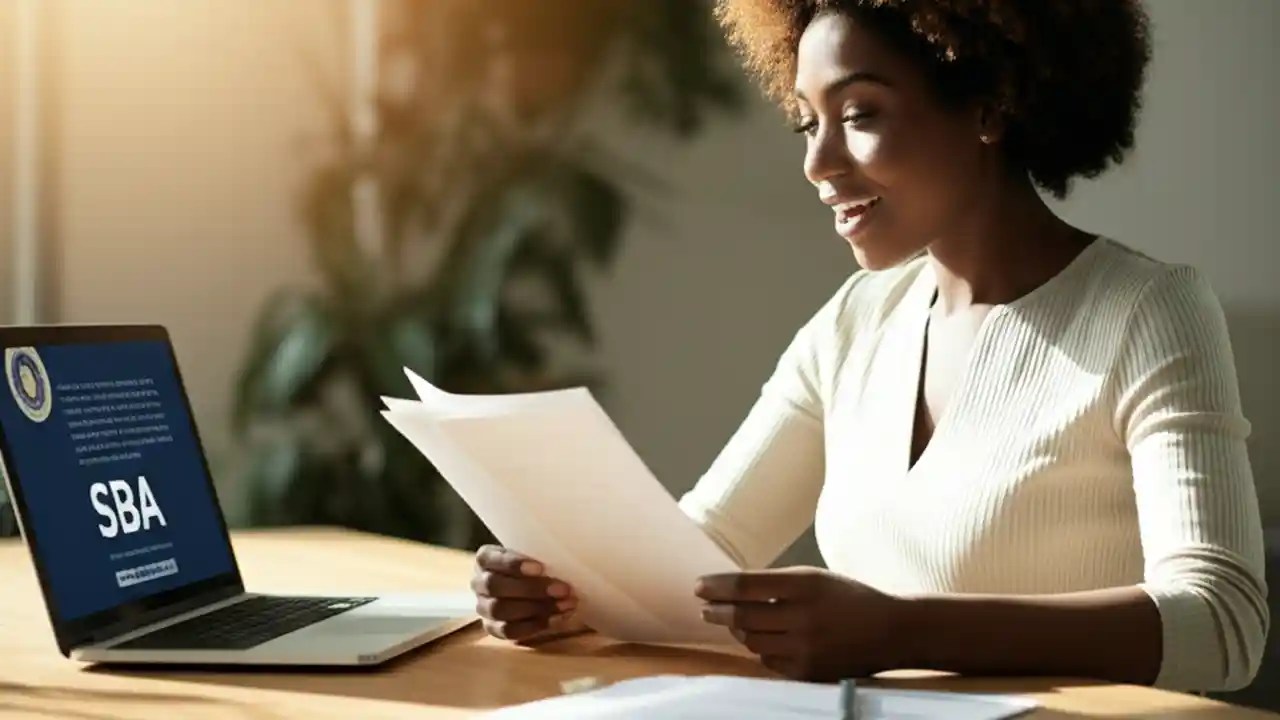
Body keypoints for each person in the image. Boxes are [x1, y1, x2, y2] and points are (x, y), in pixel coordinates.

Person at [468, 0, 1268, 693]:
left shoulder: (1149, 311)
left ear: (989, 102)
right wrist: (563, 592)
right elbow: (698, 553)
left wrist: (902, 632)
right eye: (807, 122)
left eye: (859, 115)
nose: (818, 164)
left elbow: (1223, 625)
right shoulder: (858, 319)